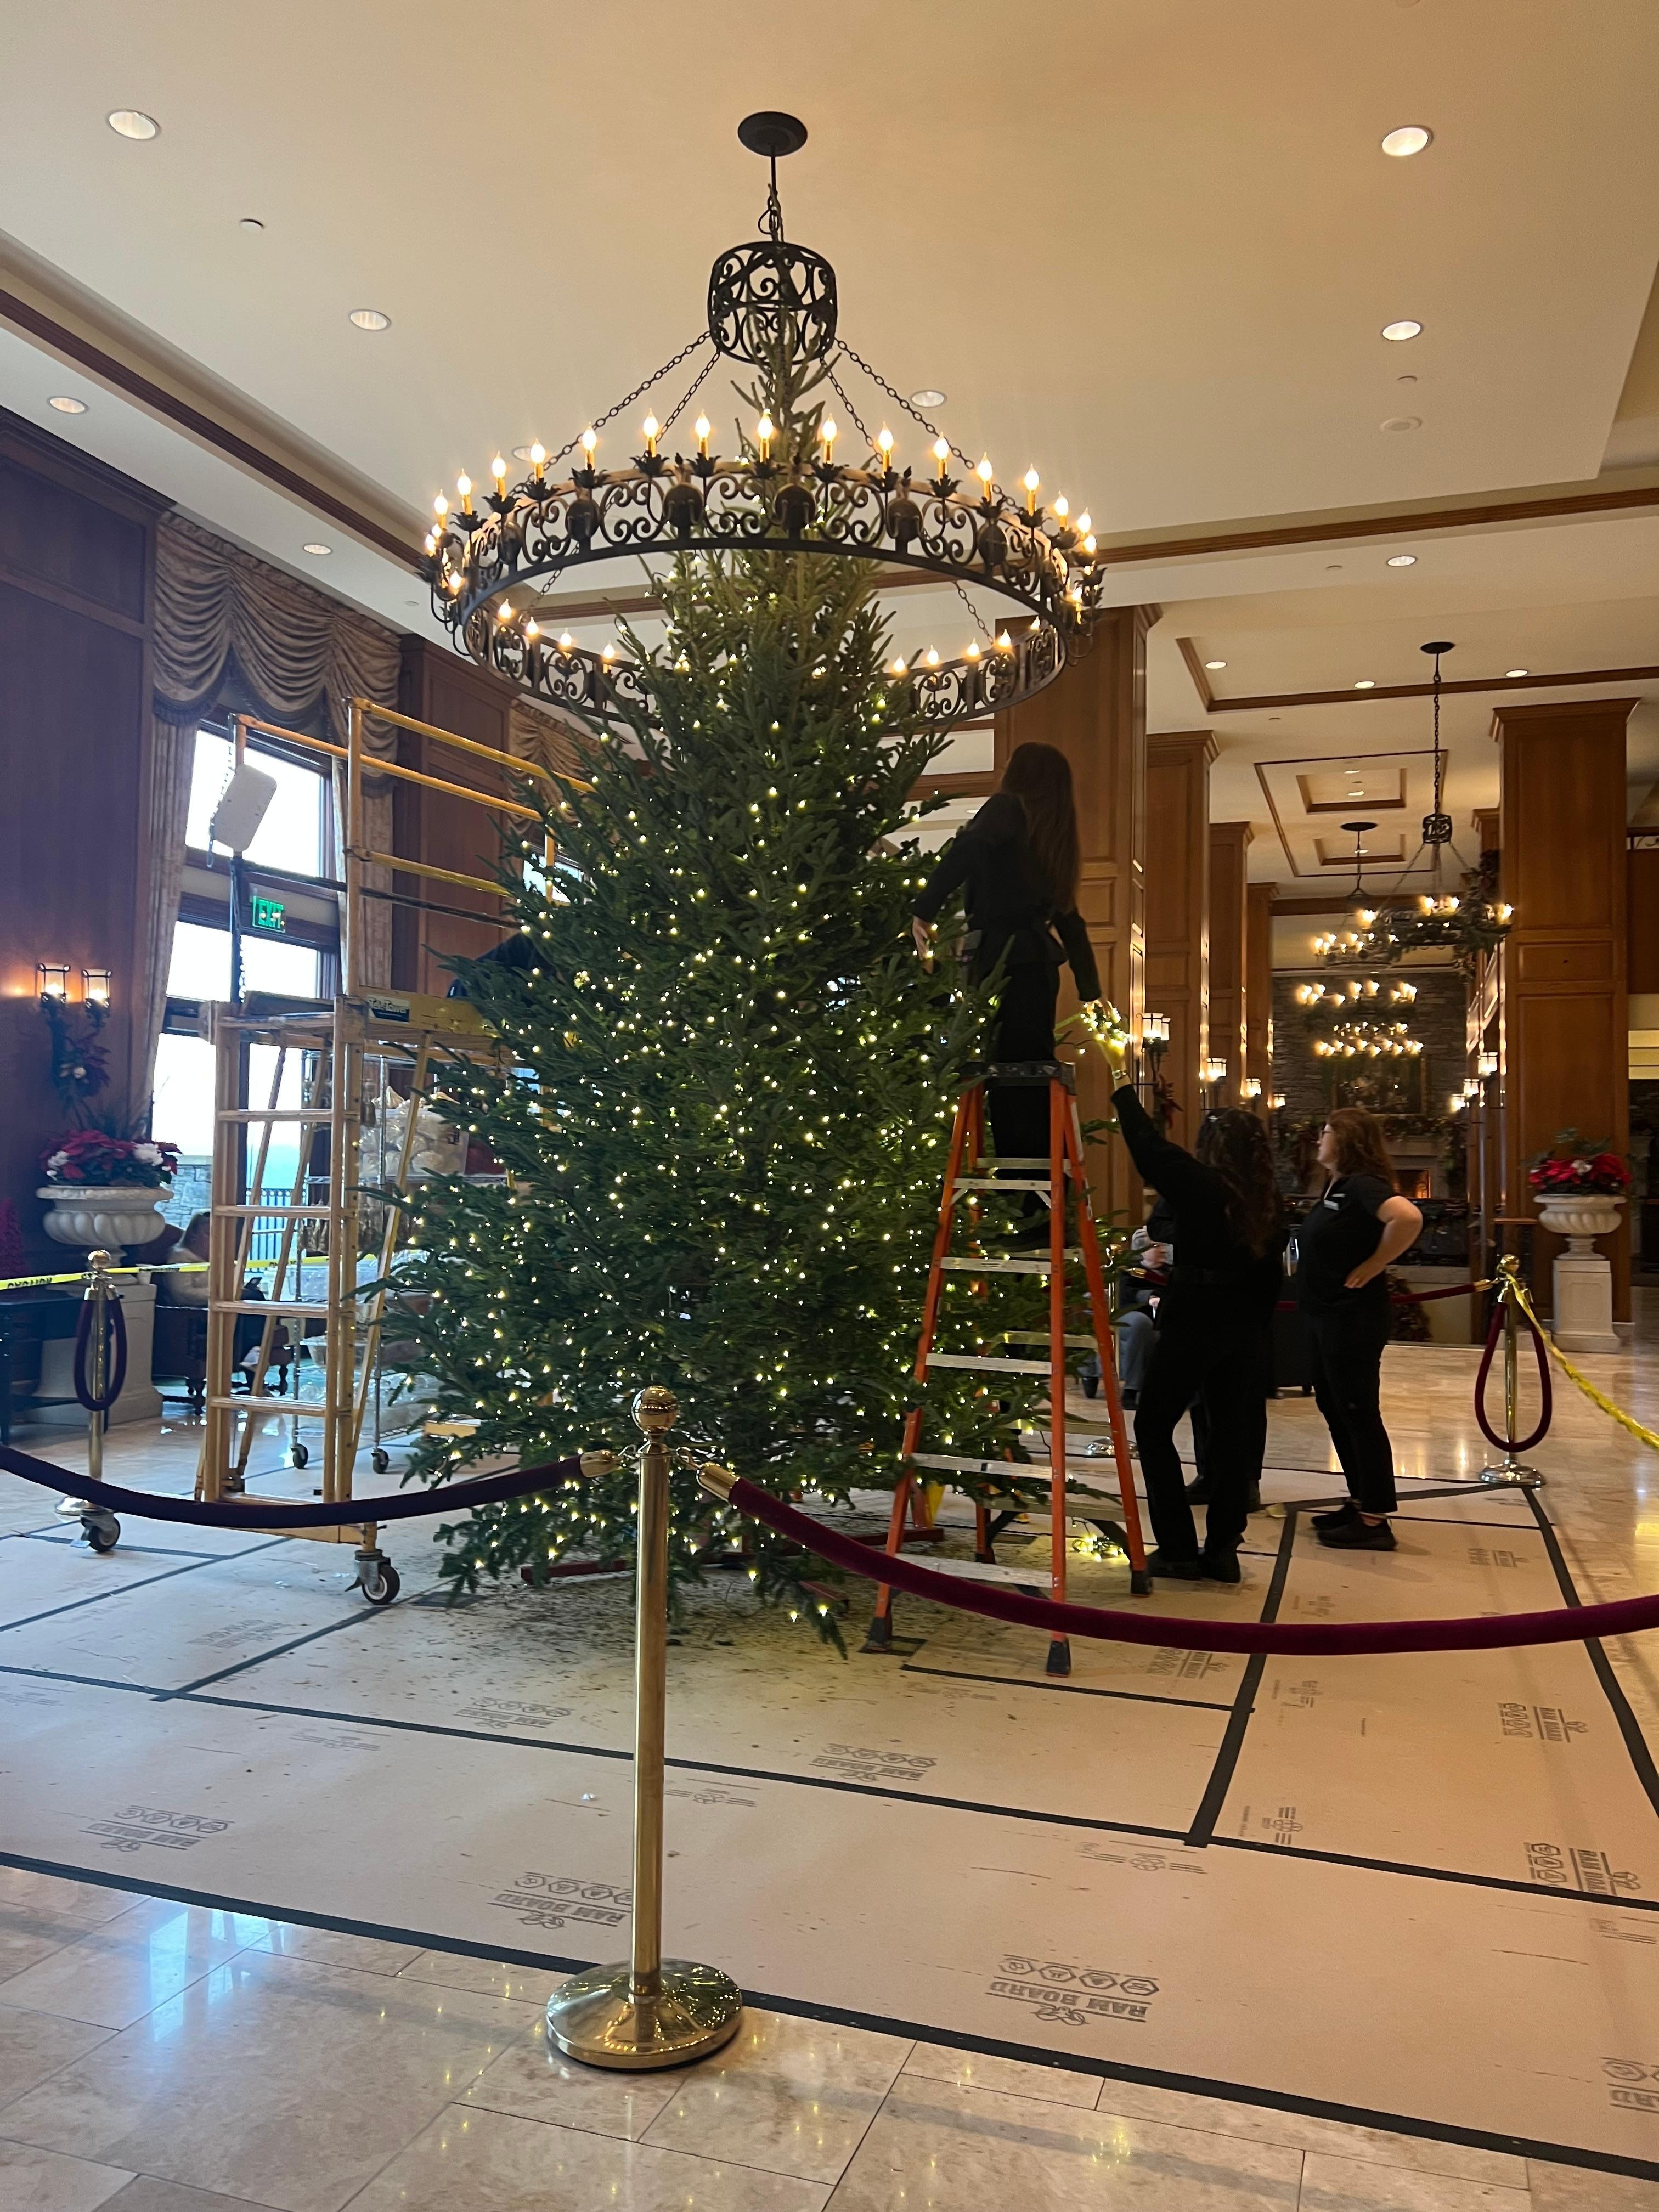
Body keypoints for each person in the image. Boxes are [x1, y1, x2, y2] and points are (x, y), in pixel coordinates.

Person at [1099, 1033, 1285, 1581]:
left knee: (1154, 1426)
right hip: (1246, 1327)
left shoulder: (1205, 1188)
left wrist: (1122, 1088)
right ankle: (1223, 1549)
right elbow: (1272, 1275)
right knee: (1229, 1439)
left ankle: (1178, 1546)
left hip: (1196, 1316)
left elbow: (1150, 1149)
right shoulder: (1268, 1200)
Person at [911, 742, 1099, 1192]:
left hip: (1000, 964)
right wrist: (1092, 993)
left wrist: (924, 908)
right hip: (1037, 969)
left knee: (1009, 1083)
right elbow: (1071, 924)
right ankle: (1043, 1197)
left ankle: (1026, 1201)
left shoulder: (1005, 808)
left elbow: (966, 853)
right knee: (1028, 1080)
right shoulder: (1052, 838)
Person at [1295, 1107, 1423, 1551]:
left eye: (1326, 1133)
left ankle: (1374, 1519)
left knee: (1357, 1410)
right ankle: (1360, 1498)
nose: (1319, 1140)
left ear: (1347, 1140)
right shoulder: (1337, 1186)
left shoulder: (1364, 1185)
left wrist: (1375, 1264)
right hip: (1326, 1314)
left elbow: (1407, 1218)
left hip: (1351, 1317)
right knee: (1336, 1408)